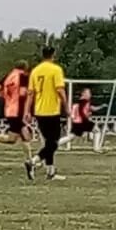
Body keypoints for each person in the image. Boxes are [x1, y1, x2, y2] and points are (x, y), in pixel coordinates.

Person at [27, 46, 68, 181]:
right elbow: (60, 90)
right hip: (52, 111)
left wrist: (27, 110)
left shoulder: (35, 71)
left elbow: (30, 93)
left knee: (49, 142)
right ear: (53, 55)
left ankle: (50, 172)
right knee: (53, 143)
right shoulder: (56, 70)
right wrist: (66, 107)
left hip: (39, 111)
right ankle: (33, 161)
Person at [0, 62, 31, 161]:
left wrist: (6, 98)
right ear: (25, 68)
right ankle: (31, 161)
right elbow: (24, 93)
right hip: (18, 111)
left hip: (9, 110)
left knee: (12, 139)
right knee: (26, 136)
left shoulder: (8, 76)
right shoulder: (23, 77)